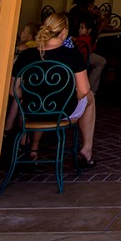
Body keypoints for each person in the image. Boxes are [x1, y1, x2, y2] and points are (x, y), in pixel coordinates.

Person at [13, 12, 94, 168]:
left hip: (31, 112)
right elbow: (84, 90)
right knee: (90, 97)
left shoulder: (27, 55)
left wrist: (30, 96)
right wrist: (72, 96)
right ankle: (87, 148)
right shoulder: (72, 55)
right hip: (61, 112)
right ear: (64, 32)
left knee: (42, 97)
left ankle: (34, 148)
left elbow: (13, 90)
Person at [69, 0, 107, 94]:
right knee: (101, 61)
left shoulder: (73, 10)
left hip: (70, 48)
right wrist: (101, 25)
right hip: (81, 50)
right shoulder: (86, 15)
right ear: (90, 3)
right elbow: (93, 36)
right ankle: (90, 90)